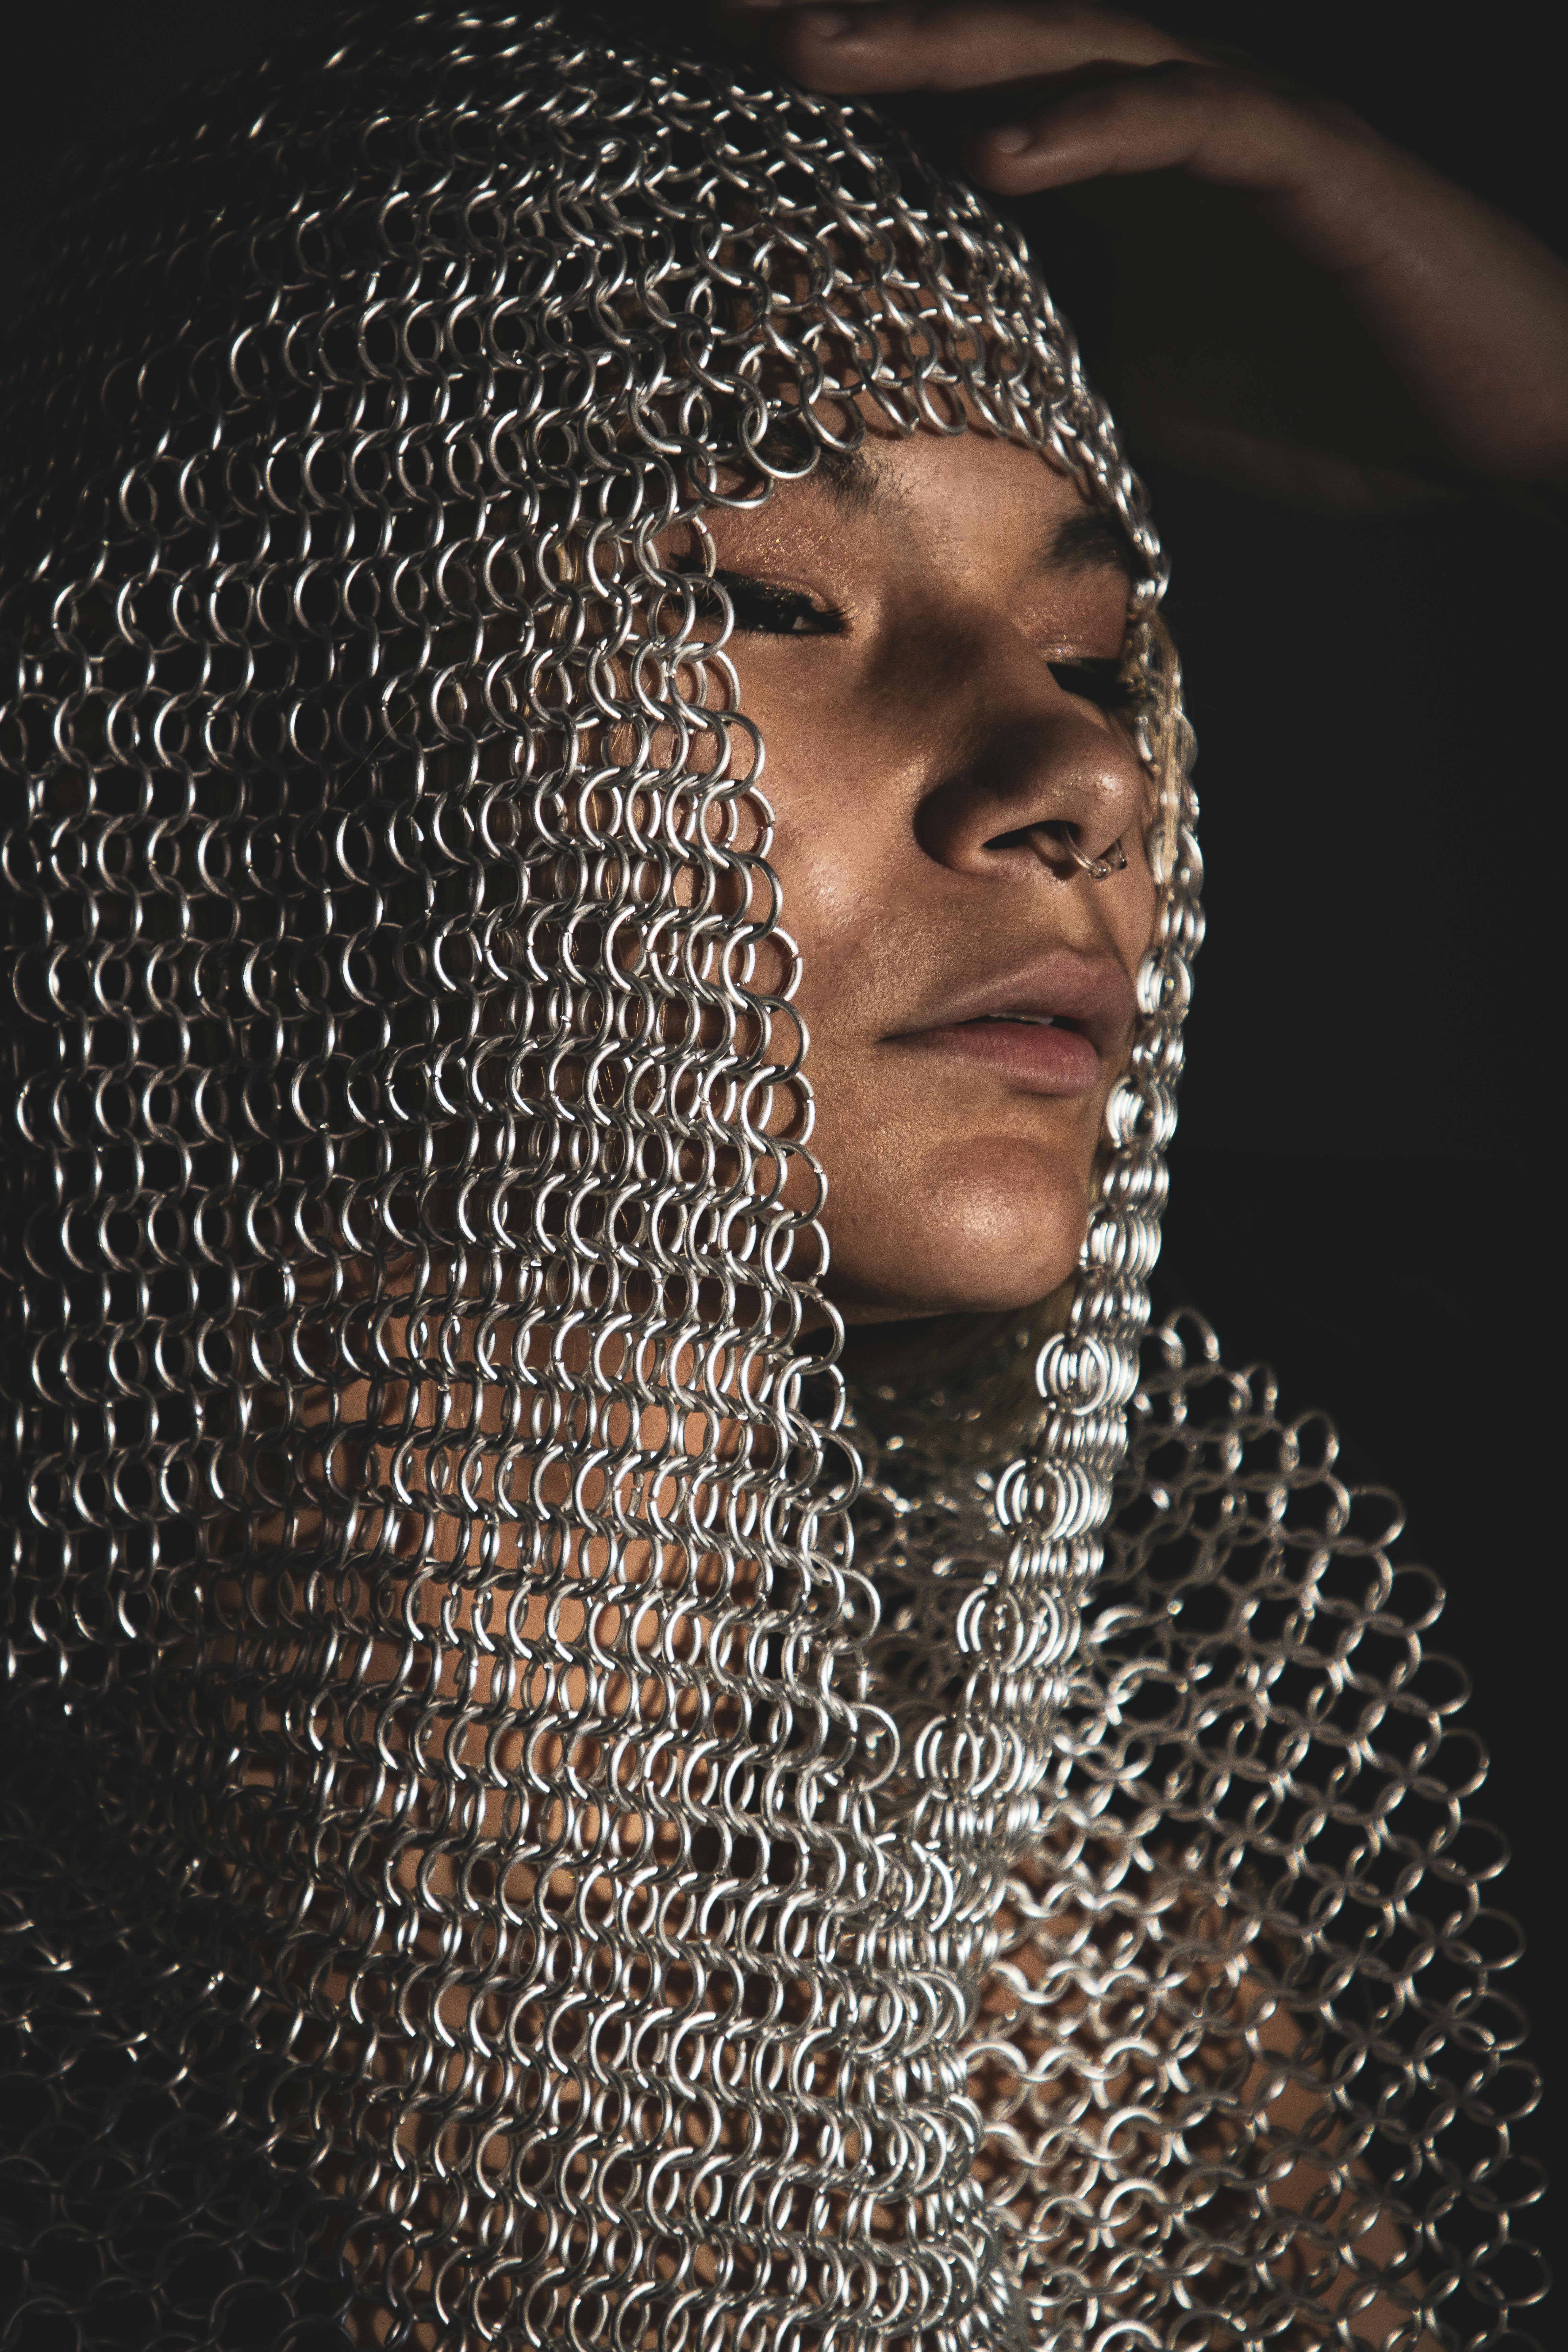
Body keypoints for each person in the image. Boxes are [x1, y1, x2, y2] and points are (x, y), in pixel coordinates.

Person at [0, 4, 1555, 2347]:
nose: (1069, 777)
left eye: (1099, 651)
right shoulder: (73, 2063)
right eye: (773, 600)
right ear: (240, 745)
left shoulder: (1331, 1573)